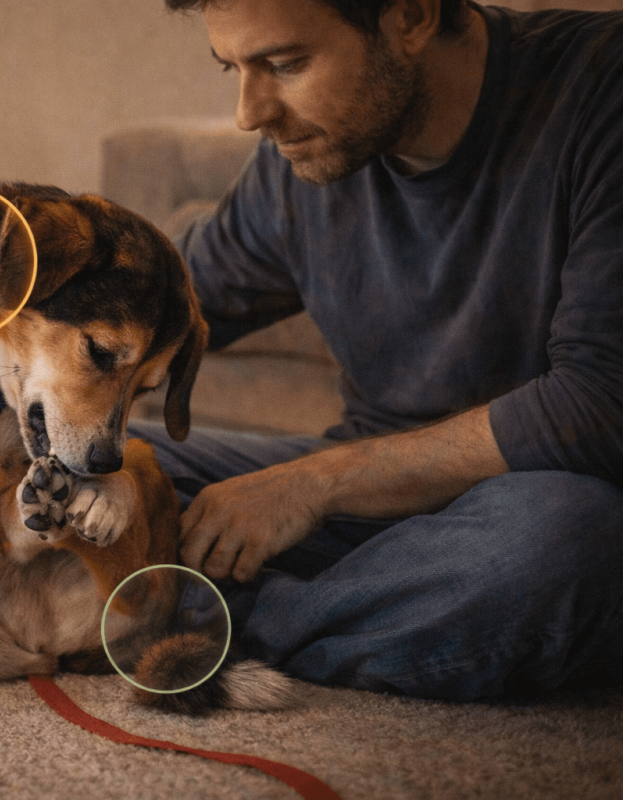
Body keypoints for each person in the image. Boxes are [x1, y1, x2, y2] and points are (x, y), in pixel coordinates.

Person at [129, 0, 623, 700]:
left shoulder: (601, 88)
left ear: (413, 17)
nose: (249, 113)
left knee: (566, 544)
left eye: (286, 64)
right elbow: (163, 310)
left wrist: (314, 483)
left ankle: (170, 616)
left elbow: (601, 404)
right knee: (100, 462)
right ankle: (308, 613)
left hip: (529, 506)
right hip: (367, 513)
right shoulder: (301, 162)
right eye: (233, 68)